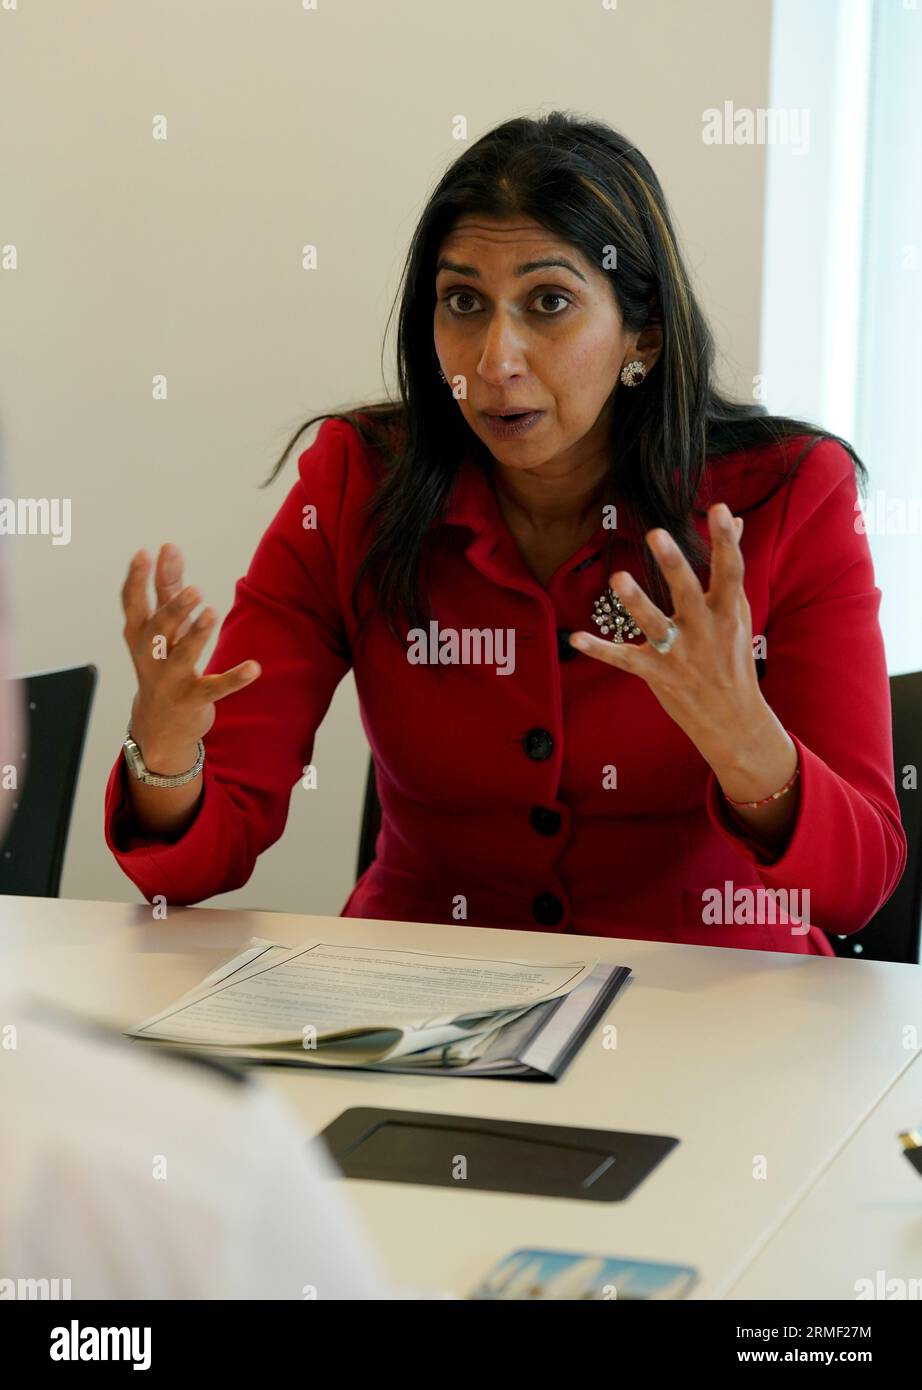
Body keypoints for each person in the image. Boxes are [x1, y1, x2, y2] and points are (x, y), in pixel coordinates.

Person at [104, 112, 906, 956]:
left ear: (645, 336)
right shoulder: (356, 481)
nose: (495, 360)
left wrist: (750, 744)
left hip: (712, 1009)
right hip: (419, 1009)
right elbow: (188, 866)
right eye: (463, 303)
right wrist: (164, 749)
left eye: (548, 303)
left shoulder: (788, 494)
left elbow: (856, 891)